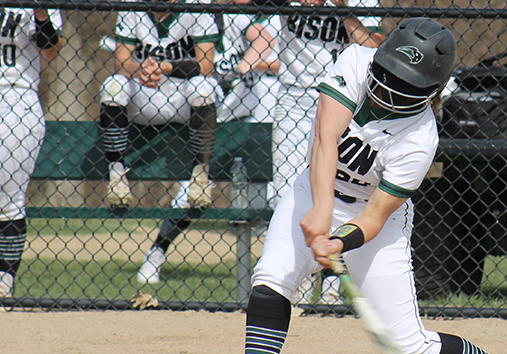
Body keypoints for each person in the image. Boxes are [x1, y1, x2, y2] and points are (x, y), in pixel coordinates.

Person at [214, 18, 507, 354]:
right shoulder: (355, 61)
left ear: (431, 91)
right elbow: (325, 140)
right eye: (389, 74)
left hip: (373, 220)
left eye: (406, 84)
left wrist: (338, 241)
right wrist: (320, 208)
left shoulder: (420, 138)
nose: (391, 89)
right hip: (313, 189)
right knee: (271, 279)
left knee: (411, 345)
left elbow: (375, 216)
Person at [136, 5, 281, 285]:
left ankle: (279, 271)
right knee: (191, 195)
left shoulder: (235, 18)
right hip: (212, 123)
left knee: (275, 194)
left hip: (246, 116)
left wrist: (241, 66)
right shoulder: (191, 18)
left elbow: (264, 41)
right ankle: (156, 254)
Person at [274, 0, 383, 304]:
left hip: (345, 98)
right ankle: (300, 281)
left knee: (341, 192)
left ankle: (332, 285)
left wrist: (343, 9)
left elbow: (374, 47)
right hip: (294, 97)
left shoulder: (361, 2)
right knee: (286, 193)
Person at [99, 0, 220, 209]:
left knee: (204, 87)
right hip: (145, 92)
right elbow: (121, 62)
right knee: (113, 85)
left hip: (184, 96)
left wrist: (166, 67)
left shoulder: (197, 4)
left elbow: (206, 66)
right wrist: (139, 70)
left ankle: (200, 175)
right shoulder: (132, 5)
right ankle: (117, 175)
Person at [0, 9, 64, 298]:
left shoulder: (31, 6)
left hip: (14, 98)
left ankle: (2, 287)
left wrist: (40, 13)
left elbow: (51, 51)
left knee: (6, 200)